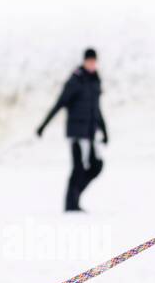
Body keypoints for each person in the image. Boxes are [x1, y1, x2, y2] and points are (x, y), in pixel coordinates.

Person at [37, 48, 108, 212]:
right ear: (84, 61)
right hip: (76, 133)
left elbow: (97, 109)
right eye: (89, 61)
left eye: (94, 61)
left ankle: (73, 199)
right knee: (78, 168)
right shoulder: (76, 80)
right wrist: (43, 125)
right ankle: (71, 204)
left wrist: (104, 131)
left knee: (96, 165)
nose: (91, 64)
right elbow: (59, 103)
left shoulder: (95, 80)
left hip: (90, 133)